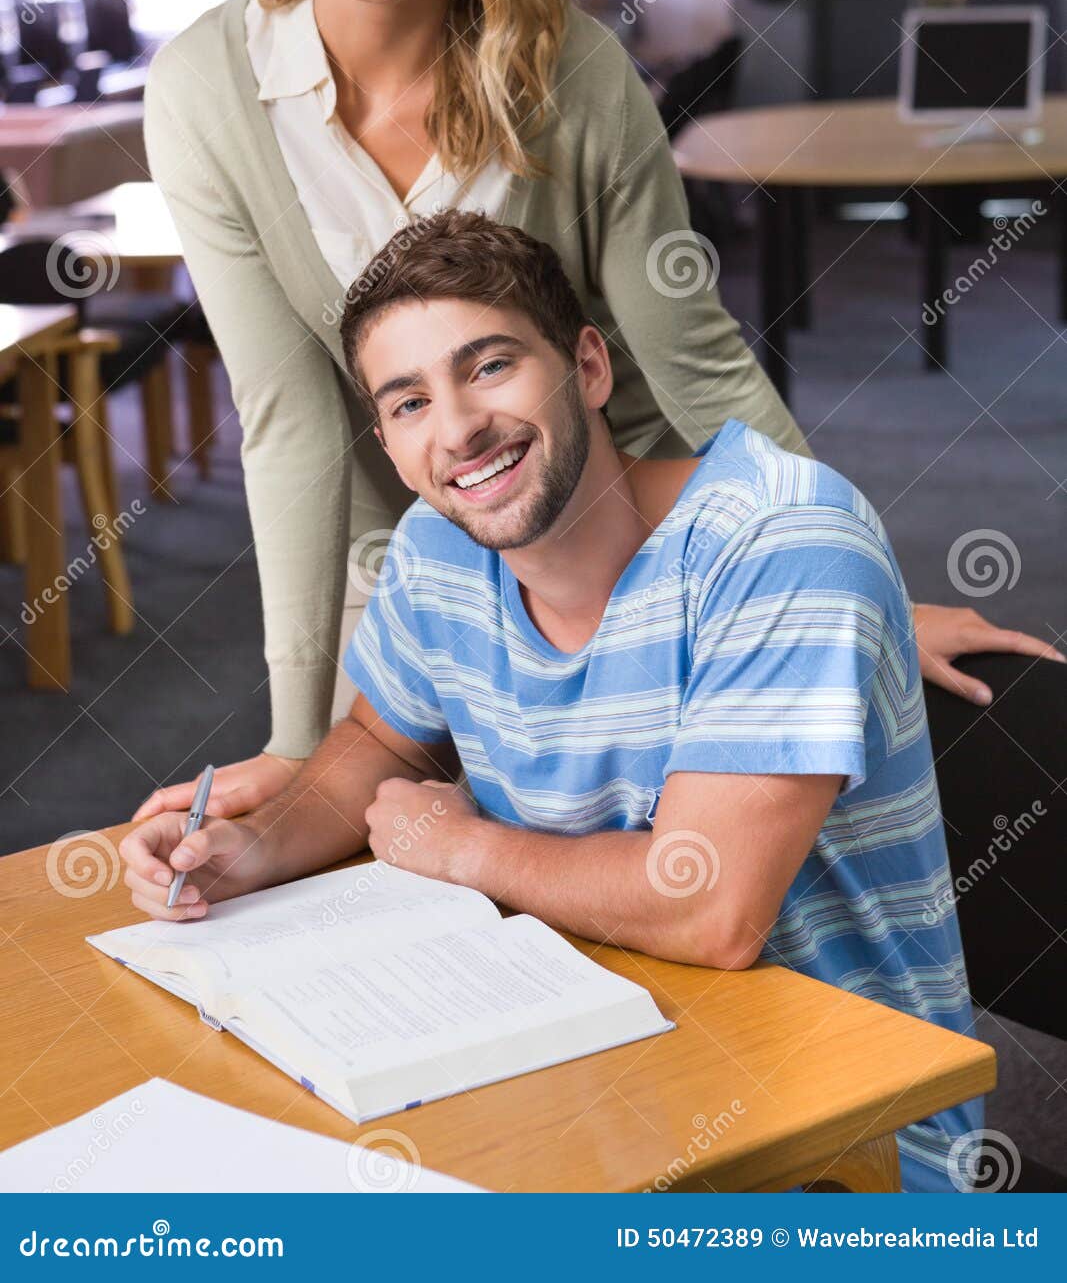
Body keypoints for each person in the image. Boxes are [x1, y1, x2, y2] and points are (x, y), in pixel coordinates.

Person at [135, 0, 1060, 826]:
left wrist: (846, 585)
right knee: (367, 879)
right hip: (407, 574)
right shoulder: (205, 91)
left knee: (642, 886)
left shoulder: (568, 70)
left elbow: (698, 360)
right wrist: (294, 740)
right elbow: (292, 416)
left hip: (609, 544)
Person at [120, 211, 984, 1193]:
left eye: (488, 367)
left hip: (833, 1151)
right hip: (580, 1075)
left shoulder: (779, 540)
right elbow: (382, 741)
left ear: (586, 366)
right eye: (408, 403)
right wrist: (258, 847)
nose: (456, 429)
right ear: (390, 443)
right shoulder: (437, 550)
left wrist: (460, 849)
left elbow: (710, 908)